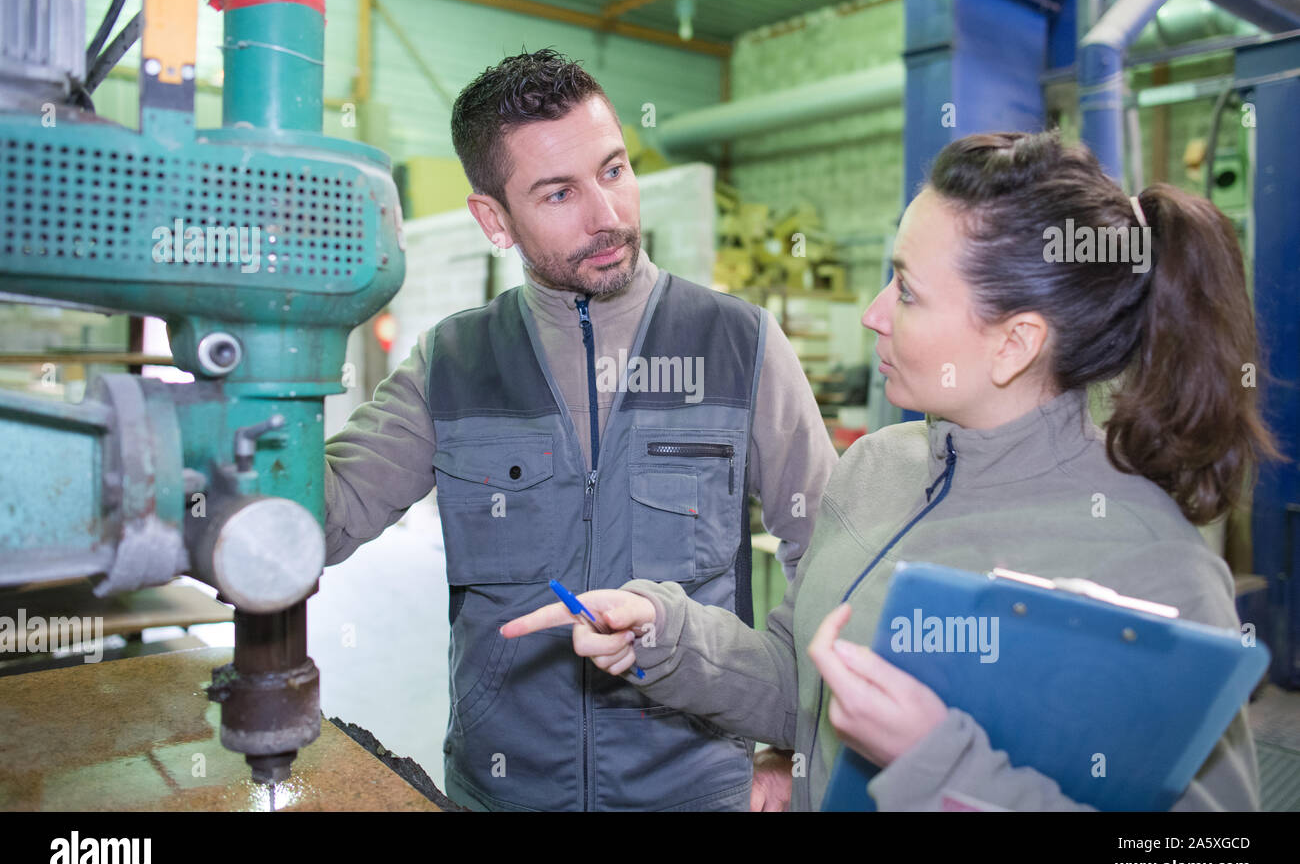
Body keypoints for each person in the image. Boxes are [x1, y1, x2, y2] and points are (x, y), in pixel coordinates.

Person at [504, 129, 1279, 811]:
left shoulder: (1153, 566)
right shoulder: (877, 467)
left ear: (1014, 343)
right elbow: (803, 684)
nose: (874, 312)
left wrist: (938, 766)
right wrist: (665, 635)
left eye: (906, 289)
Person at [322, 49, 838, 811]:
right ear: (494, 218)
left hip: (693, 792)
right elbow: (318, 523)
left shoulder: (740, 344)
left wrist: (793, 738)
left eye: (615, 170)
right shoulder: (453, 364)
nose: (609, 216)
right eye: (559, 193)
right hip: (502, 792)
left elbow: (828, 558)